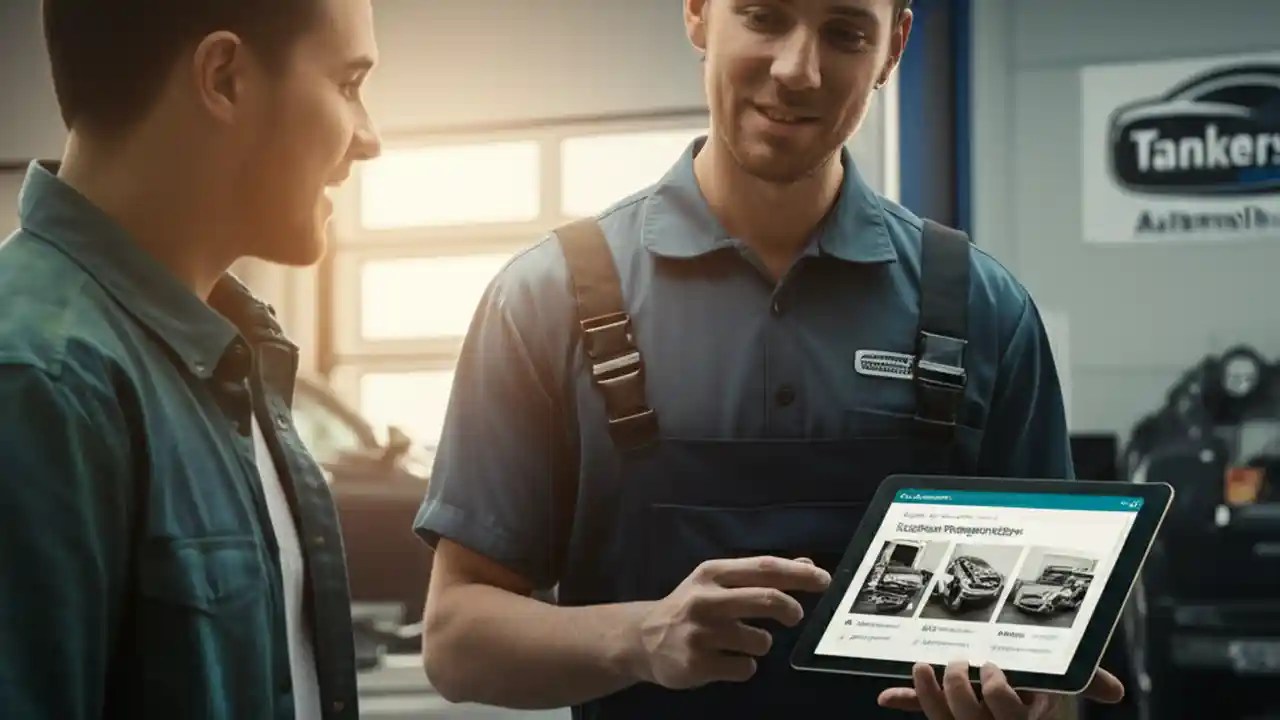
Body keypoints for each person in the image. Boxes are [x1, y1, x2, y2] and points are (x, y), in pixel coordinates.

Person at [416, 0, 1124, 718]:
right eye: (763, 15)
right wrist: (638, 637)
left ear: (893, 47)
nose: (797, 71)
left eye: (845, 33)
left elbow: (1047, 667)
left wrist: (1027, 699)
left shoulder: (984, 310)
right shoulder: (548, 299)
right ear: (697, 13)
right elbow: (456, 640)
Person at [0, 1, 381, 718]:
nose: (369, 139)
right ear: (225, 77)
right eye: (349, 84)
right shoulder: (37, 381)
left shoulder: (229, 360)